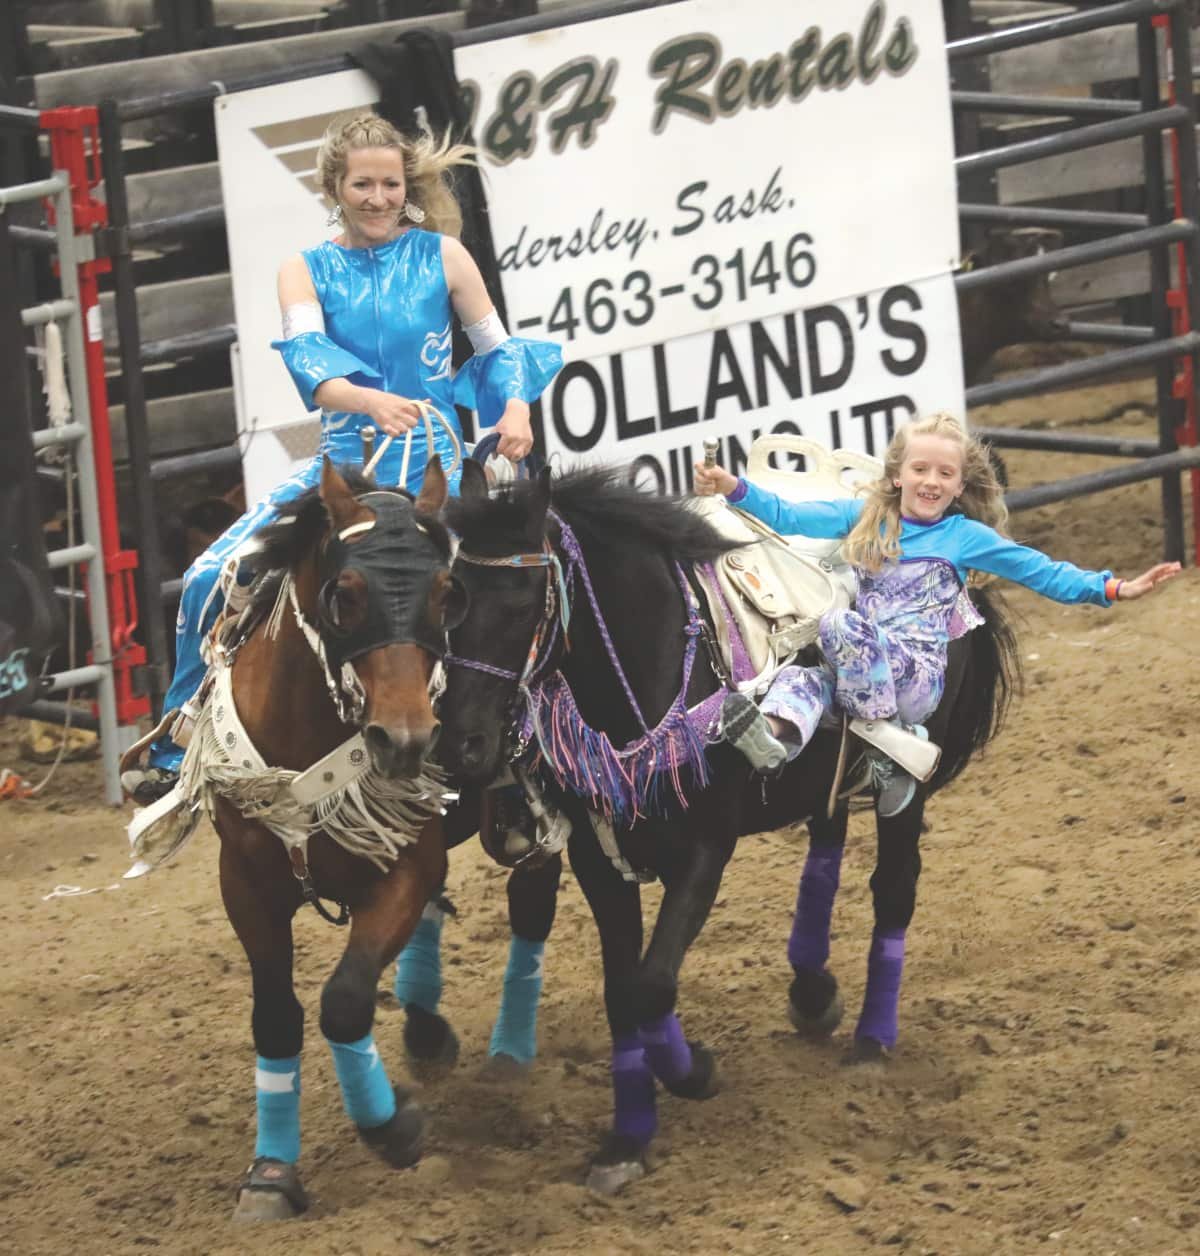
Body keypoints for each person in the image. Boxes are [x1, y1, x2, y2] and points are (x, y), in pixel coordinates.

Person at [123, 110, 561, 802]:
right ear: (336, 187)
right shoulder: (304, 270)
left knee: (514, 587)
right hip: (344, 473)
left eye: (390, 183)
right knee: (212, 575)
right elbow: (308, 359)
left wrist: (516, 406)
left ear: (406, 185)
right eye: (363, 184)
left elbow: (497, 346)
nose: (379, 198)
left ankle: (531, 765)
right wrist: (366, 401)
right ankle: (181, 736)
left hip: (436, 472)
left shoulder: (445, 255)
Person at [693, 413, 1181, 817]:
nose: (931, 481)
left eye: (944, 474)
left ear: (959, 485)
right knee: (801, 680)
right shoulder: (864, 517)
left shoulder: (964, 537)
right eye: (921, 469)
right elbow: (787, 516)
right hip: (861, 668)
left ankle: (890, 750)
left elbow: (1042, 572)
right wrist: (731, 486)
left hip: (914, 677)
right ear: (896, 475)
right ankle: (775, 742)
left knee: (838, 625)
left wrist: (1114, 587)